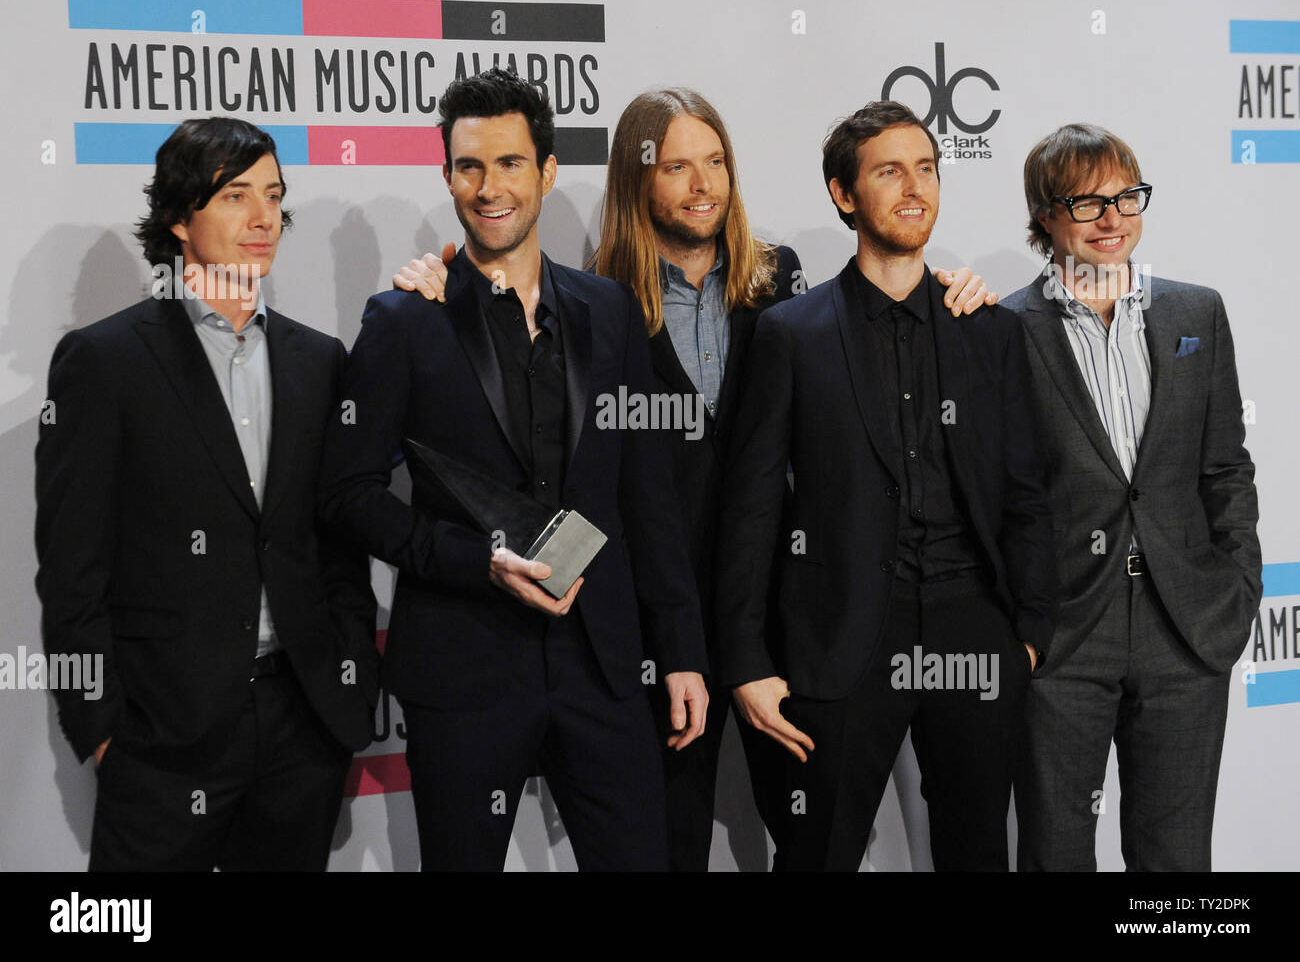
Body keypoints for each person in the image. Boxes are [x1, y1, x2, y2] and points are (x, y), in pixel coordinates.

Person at [393, 88, 997, 870]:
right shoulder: (598, 305)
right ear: (637, 178)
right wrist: (437, 280)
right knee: (672, 839)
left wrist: (956, 293)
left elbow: (878, 332)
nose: (702, 184)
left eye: (715, 163)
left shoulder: (780, 282)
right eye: (675, 165)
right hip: (654, 623)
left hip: (783, 618)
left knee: (815, 838)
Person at [317, 68, 709, 871]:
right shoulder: (405, 320)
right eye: (469, 166)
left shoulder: (607, 311)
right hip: (463, 668)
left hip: (601, 665)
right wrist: (474, 563)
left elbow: (646, 498)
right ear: (447, 175)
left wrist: (681, 649)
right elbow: (347, 494)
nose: (488, 187)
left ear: (548, 171)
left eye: (509, 164)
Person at [715, 100, 1057, 871]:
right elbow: (753, 507)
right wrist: (745, 658)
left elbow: (1026, 490)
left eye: (927, 169)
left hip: (975, 627)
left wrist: (1030, 632)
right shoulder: (791, 334)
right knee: (818, 851)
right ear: (844, 194)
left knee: (978, 855)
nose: (914, 187)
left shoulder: (989, 329)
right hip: (840, 638)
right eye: (889, 171)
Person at [35, 116, 378, 871]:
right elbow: (71, 571)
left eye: (274, 196)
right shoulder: (105, 362)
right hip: (162, 739)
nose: (263, 218)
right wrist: (101, 731)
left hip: (302, 726)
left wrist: (347, 680)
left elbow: (337, 544)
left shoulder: (319, 361)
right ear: (178, 218)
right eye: (235, 196)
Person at [1004, 123, 1262, 871]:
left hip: (1186, 627)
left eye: (1126, 196)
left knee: (1177, 862)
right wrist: (1022, 631)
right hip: (1062, 639)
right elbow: (995, 498)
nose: (1112, 218)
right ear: (1045, 217)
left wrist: (1236, 588)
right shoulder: (1002, 332)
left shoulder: (1196, 314)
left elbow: (1225, 468)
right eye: (1087, 202)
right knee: (1055, 852)